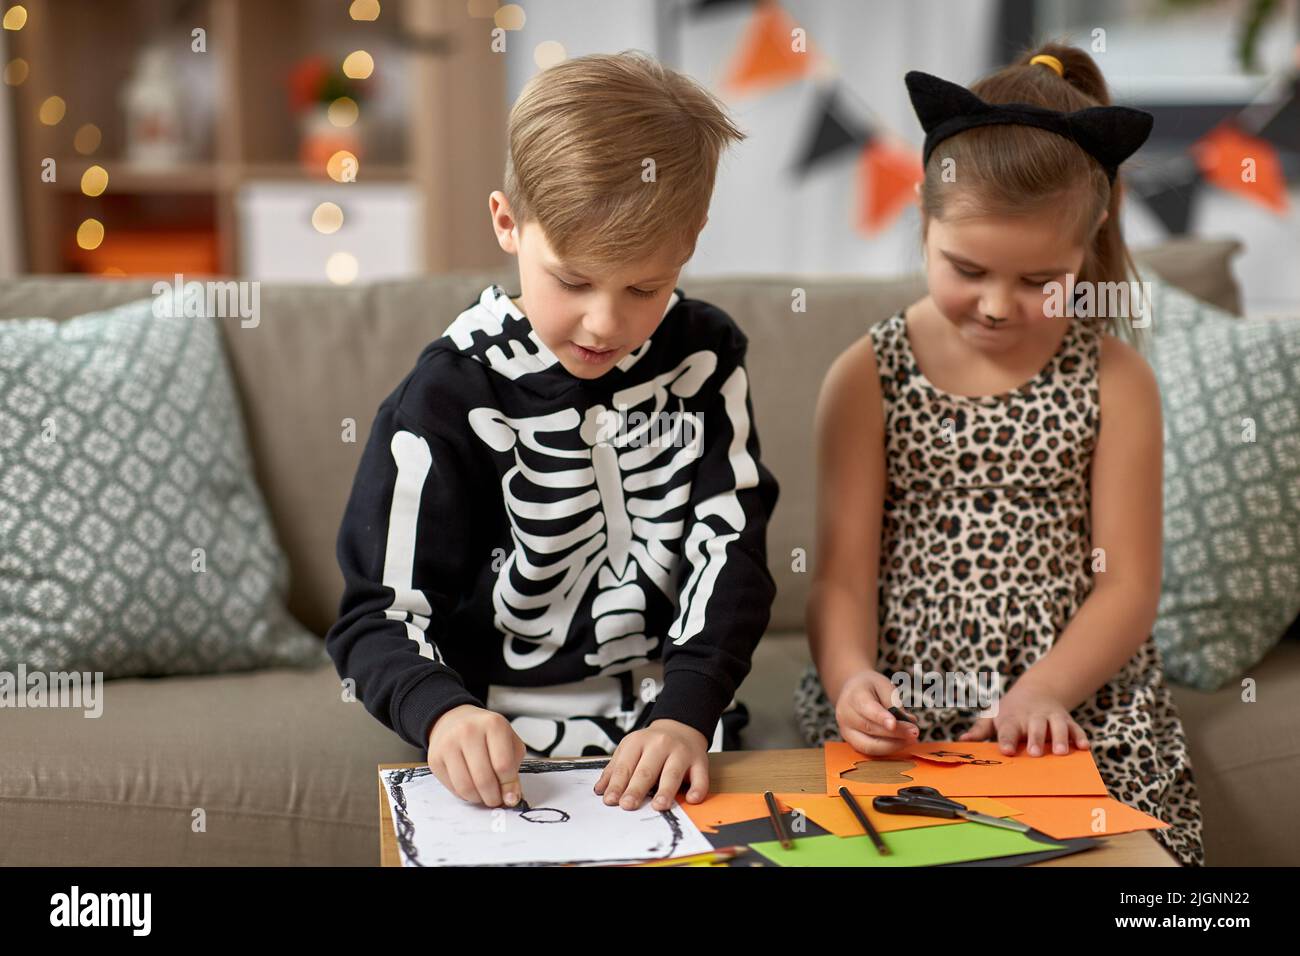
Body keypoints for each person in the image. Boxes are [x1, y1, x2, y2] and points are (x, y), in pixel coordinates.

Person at [327, 51, 778, 817]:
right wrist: (442, 713)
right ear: (508, 221)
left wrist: (685, 706)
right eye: (572, 281)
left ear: (690, 244)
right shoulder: (444, 396)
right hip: (495, 746)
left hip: (672, 723)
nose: (605, 323)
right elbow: (377, 612)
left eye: (645, 287)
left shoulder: (703, 359)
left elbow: (729, 548)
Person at [794, 43, 1205, 866]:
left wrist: (1047, 691)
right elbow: (840, 577)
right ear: (923, 216)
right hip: (905, 709)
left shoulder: (1116, 381)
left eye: (1038, 282)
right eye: (968, 269)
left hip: (1069, 705)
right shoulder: (867, 376)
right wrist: (849, 683)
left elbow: (1127, 583)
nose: (995, 306)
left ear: (1092, 241)